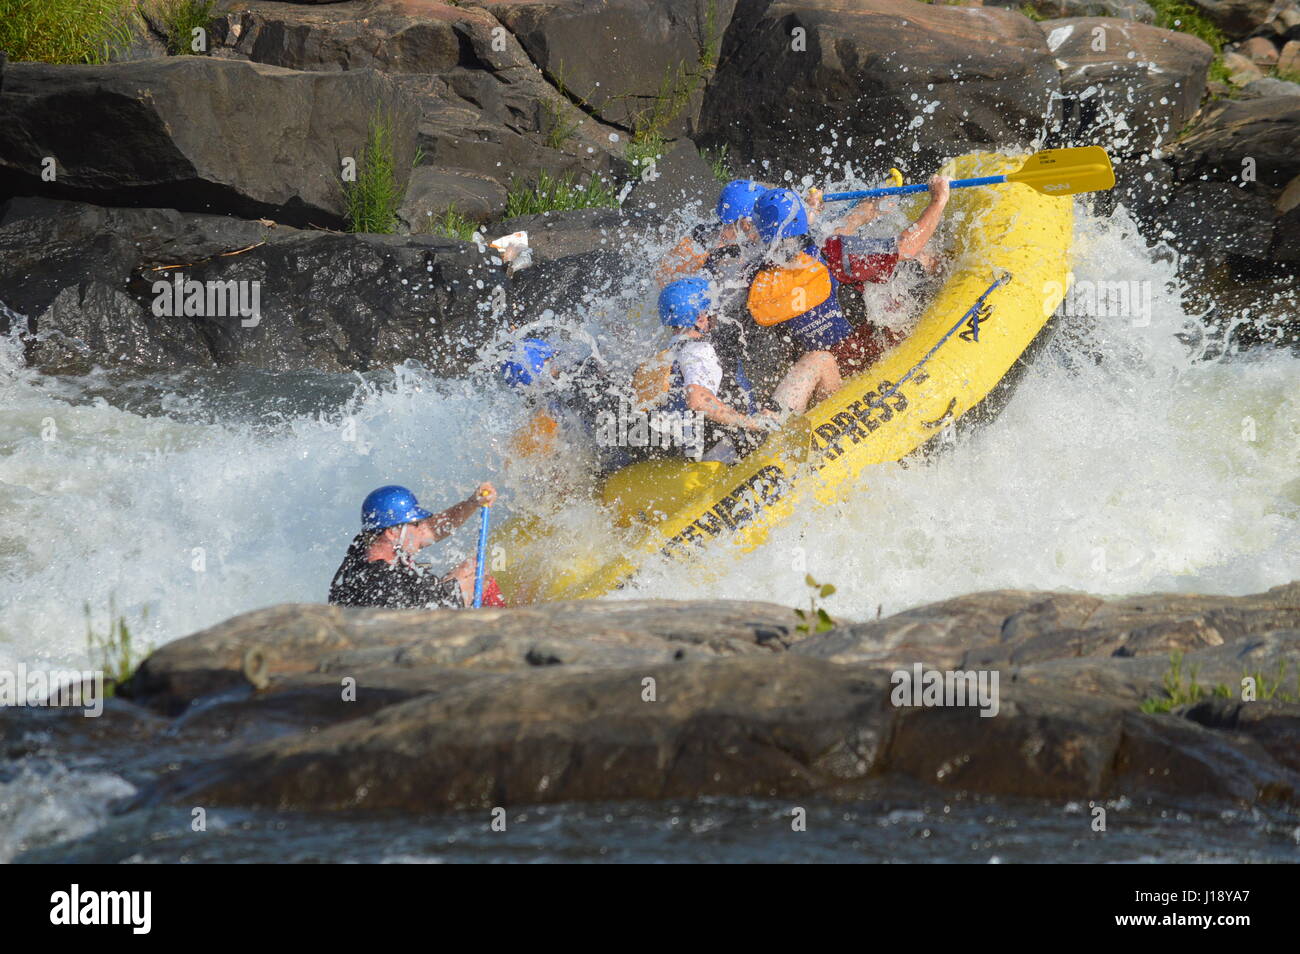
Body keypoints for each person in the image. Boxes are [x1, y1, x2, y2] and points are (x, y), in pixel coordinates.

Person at [745, 176, 953, 412]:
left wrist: (814, 210)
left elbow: (811, 235)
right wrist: (939, 200)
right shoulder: (833, 252)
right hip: (855, 378)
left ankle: (773, 417)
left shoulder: (754, 278)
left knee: (818, 358)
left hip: (820, 379)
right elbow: (905, 247)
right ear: (802, 220)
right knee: (920, 260)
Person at [635, 277, 776, 462]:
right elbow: (697, 400)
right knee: (820, 360)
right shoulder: (700, 351)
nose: (715, 315)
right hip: (732, 451)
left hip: (693, 450)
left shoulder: (667, 354)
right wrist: (750, 422)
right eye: (710, 311)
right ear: (701, 318)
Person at [328, 483, 506, 609]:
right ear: (392, 532)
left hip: (412, 608)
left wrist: (472, 503)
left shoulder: (367, 546)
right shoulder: (382, 583)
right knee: (476, 576)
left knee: (472, 567)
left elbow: (434, 528)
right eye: (416, 524)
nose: (422, 528)